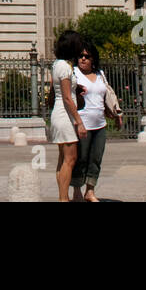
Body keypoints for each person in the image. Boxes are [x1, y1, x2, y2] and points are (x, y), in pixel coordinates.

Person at [71, 45, 123, 202]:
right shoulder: (74, 74)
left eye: (87, 56)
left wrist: (116, 114)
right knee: (81, 158)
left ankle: (90, 191)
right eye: (80, 56)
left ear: (93, 58)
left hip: (100, 123)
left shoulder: (100, 74)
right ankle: (77, 190)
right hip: (82, 122)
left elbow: (108, 95)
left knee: (96, 158)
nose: (83, 59)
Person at [49, 30, 88, 202]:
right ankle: (64, 199)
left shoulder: (57, 64)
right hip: (65, 115)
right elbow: (66, 97)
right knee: (70, 159)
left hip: (58, 114)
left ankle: (62, 197)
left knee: (62, 159)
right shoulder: (65, 67)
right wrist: (79, 122)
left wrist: (75, 88)